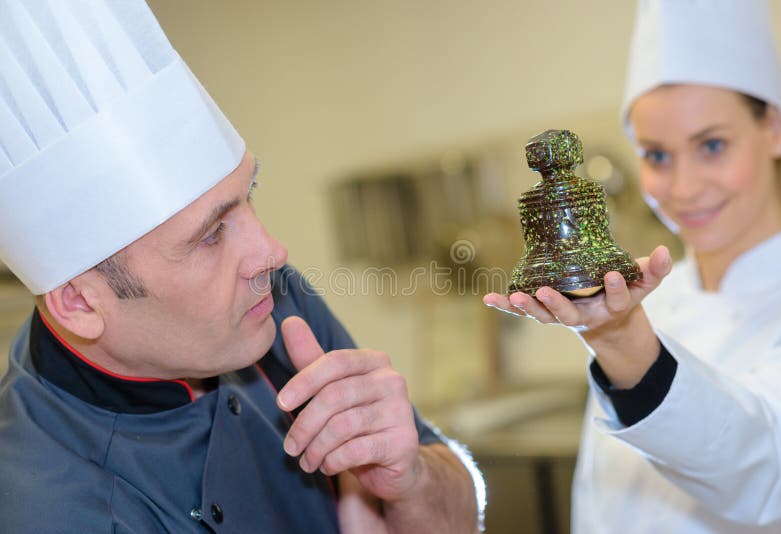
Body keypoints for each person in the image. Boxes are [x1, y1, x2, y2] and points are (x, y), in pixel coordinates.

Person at [0, 1, 484, 532]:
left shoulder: (264, 296)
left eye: (248, 194)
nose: (272, 252)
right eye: (211, 236)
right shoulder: (48, 509)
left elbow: (456, 515)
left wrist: (410, 480)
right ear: (81, 302)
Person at [485, 0, 781, 532]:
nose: (683, 188)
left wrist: (620, 338)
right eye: (656, 155)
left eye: (712, 145)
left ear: (773, 127)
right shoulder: (649, 297)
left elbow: (770, 475)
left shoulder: (630, 323)